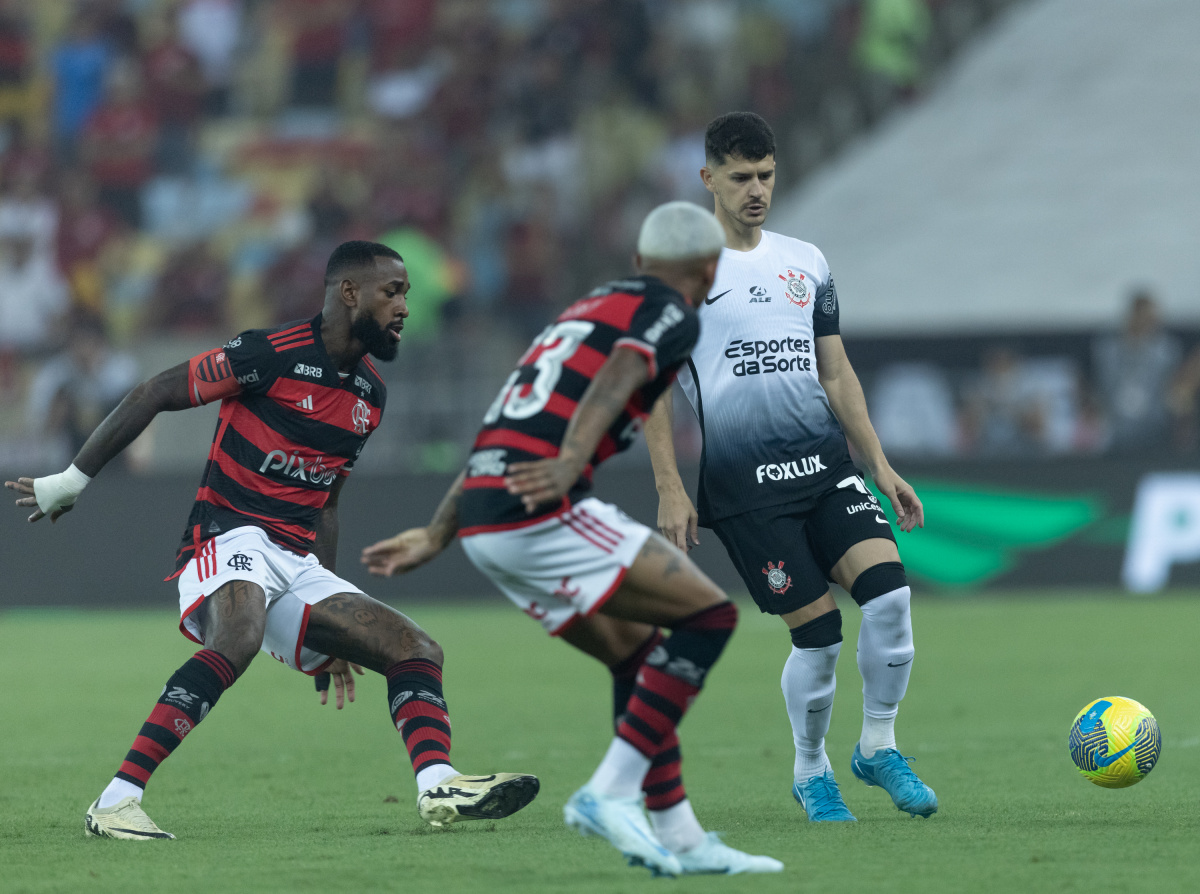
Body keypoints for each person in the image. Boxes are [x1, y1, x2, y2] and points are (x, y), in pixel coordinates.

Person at [6, 240, 538, 840]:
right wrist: (72, 480)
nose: (404, 307)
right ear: (349, 293)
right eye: (394, 292)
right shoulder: (267, 354)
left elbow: (327, 500)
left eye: (406, 295)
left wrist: (326, 613)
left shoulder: (369, 396)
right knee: (238, 636)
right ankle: (116, 800)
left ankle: (437, 783)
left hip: (294, 558)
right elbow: (155, 390)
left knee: (416, 649)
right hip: (228, 533)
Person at [362, 203, 783, 877]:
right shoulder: (675, 313)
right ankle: (608, 794)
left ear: (641, 263)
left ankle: (680, 836)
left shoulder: (590, 305)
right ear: (710, 269)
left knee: (639, 658)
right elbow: (622, 373)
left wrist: (441, 531)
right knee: (710, 616)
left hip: (488, 517)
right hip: (541, 507)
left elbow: (506, 417)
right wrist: (570, 461)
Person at [642, 112, 936, 822]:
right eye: (740, 177)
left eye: (766, 176)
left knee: (891, 599)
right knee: (820, 636)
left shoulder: (806, 259)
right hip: (744, 487)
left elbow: (836, 375)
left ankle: (878, 747)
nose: (755, 191)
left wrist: (881, 466)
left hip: (826, 465)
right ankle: (812, 772)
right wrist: (670, 487)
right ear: (708, 178)